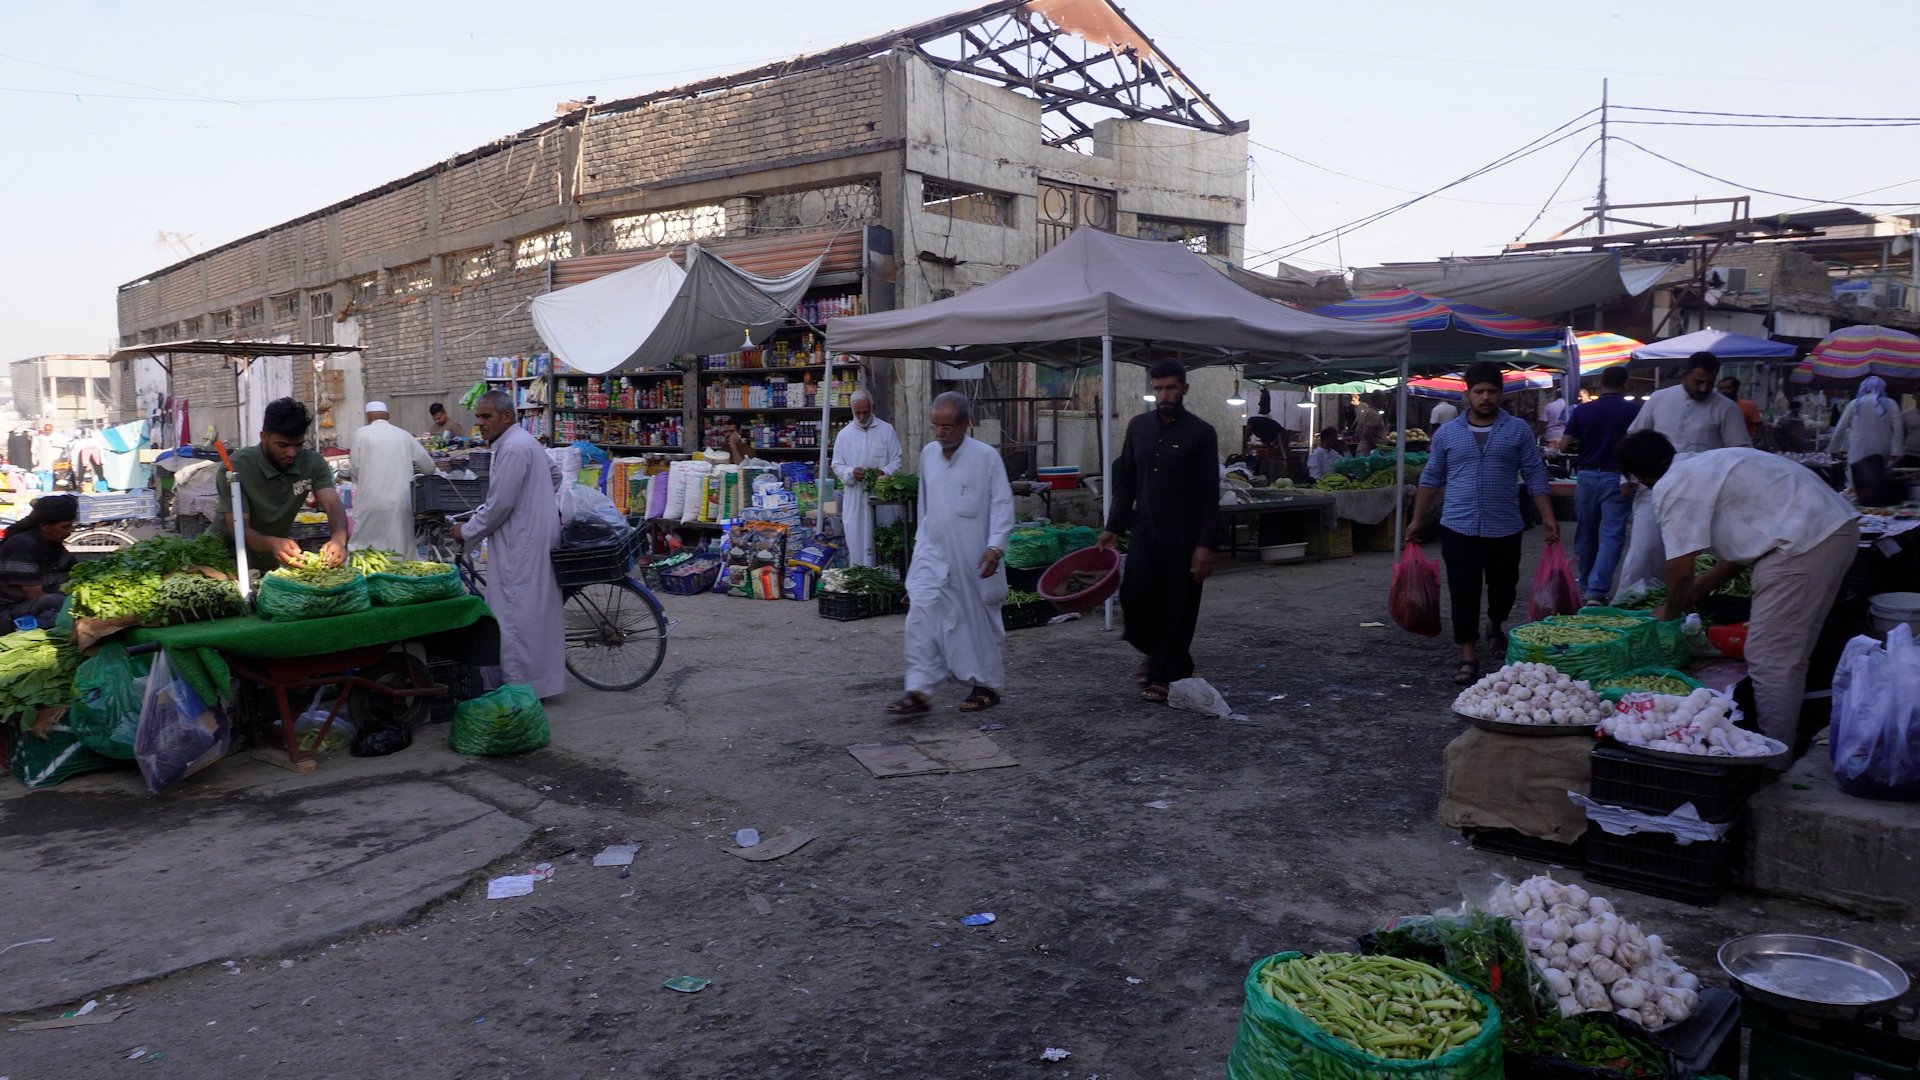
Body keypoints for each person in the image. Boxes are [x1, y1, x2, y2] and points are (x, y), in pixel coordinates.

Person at [1615, 431, 1859, 751]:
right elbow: (1745, 549)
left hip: (1803, 543)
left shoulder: (1673, 486)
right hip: (1835, 527)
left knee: (1770, 658)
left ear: (1640, 476)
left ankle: (1772, 757)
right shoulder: (1702, 465)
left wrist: (1669, 613)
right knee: (1790, 653)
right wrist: (1702, 587)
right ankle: (1790, 738)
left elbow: (1680, 570)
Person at [1407, 361, 1558, 685]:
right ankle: (1468, 653)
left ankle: (1495, 625)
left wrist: (1548, 517)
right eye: (1479, 392)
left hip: (1505, 525)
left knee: (1504, 587)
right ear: (1468, 393)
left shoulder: (1518, 430)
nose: (1485, 398)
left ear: (1501, 393)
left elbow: (1534, 474)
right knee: (1463, 590)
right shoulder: (1447, 433)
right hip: (1458, 526)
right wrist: (1416, 519)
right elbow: (1431, 478)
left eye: (1491, 391)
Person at [1097, 359, 1221, 702]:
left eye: (1170, 388)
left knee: (1178, 606)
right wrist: (1113, 528)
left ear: (1184, 389)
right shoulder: (1139, 427)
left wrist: (1205, 545)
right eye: (1158, 389)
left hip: (1185, 537)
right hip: (1145, 533)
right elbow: (1126, 484)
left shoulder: (1201, 433)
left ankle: (1165, 675)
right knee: (1135, 599)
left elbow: (1209, 494)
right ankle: (1163, 655)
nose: (1164, 395)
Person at [887, 392, 1014, 717]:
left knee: (976, 622)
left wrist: (996, 547)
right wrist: (921, 545)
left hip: (975, 555)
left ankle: (985, 685)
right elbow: (926, 504)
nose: (941, 433)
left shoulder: (985, 457)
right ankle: (919, 688)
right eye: (936, 426)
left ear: (966, 424)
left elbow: (1002, 503)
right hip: (932, 550)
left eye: (948, 427)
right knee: (921, 614)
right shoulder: (929, 454)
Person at [452, 391, 565, 699]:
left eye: (486, 416)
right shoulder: (522, 441)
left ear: (505, 417)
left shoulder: (514, 447)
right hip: (534, 536)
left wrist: (467, 530)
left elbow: (500, 504)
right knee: (533, 611)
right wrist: (533, 501)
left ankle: (521, 686)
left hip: (522, 543)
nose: (479, 423)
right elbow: (554, 476)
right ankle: (540, 681)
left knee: (516, 615)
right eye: (478, 416)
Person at [1614, 352, 1749, 596]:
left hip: (1700, 497)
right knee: (1643, 551)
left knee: (1689, 555)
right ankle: (1628, 603)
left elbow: (1740, 453)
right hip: (1651, 489)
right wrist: (1627, 478)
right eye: (1698, 381)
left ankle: (1679, 604)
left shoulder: (1726, 408)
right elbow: (1634, 438)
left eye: (1709, 382)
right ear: (1683, 374)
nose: (1704, 388)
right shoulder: (1660, 398)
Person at [217, 398, 348, 568]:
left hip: (270, 562)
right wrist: (272, 544)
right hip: (226, 560)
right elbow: (240, 529)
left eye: (298, 445)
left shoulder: (313, 463)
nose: (292, 453)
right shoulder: (235, 468)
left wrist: (338, 539)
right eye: (282, 445)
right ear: (263, 437)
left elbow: (333, 506)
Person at [1557, 365, 1642, 606]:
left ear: (1601, 384)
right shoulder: (1635, 411)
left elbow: (1564, 445)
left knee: (1585, 533)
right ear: (1626, 384)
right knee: (1611, 535)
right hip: (1618, 477)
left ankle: (1584, 583)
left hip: (1586, 476)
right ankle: (1596, 591)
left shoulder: (1583, 410)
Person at [349, 400, 437, 555]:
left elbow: (355, 469)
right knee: (399, 547)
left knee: (366, 547)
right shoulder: (404, 435)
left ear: (368, 417)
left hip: (370, 500)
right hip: (400, 500)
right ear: (388, 415)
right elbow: (429, 467)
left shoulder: (361, 434)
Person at [830, 389, 903, 567]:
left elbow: (897, 460)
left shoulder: (886, 430)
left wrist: (884, 472)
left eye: (866, 412)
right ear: (852, 410)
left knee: (884, 542)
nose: (862, 416)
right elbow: (837, 465)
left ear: (873, 408)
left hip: (882, 496)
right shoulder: (844, 435)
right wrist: (851, 472)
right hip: (856, 498)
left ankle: (885, 577)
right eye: (858, 413)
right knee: (858, 544)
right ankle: (861, 577)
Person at [0, 494, 77, 628]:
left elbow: (76, 570)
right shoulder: (22, 545)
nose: (71, 531)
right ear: (44, 526)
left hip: (32, 603)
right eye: (65, 527)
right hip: (8, 612)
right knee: (56, 601)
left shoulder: (52, 543)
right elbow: (34, 594)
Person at [1828, 375, 1906, 469]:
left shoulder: (1854, 404)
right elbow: (1898, 430)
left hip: (1857, 451)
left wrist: (1834, 449)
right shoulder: (1891, 404)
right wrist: (1896, 451)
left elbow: (1840, 428)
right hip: (1882, 451)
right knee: (1878, 475)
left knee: (1857, 475)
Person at [1717, 376, 1764, 442]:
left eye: (1728, 388)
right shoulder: (1715, 406)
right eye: (1721, 388)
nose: (1724, 391)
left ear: (1736, 389)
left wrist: (1756, 440)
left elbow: (1759, 425)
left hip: (1741, 444)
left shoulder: (1748, 405)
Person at [30, 424, 58, 490]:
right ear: (44, 430)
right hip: (42, 459)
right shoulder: (39, 438)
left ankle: (50, 488)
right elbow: (34, 448)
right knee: (41, 474)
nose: (48, 432)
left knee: (50, 474)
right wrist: (35, 458)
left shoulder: (55, 437)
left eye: (49, 430)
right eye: (46, 430)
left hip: (52, 460)